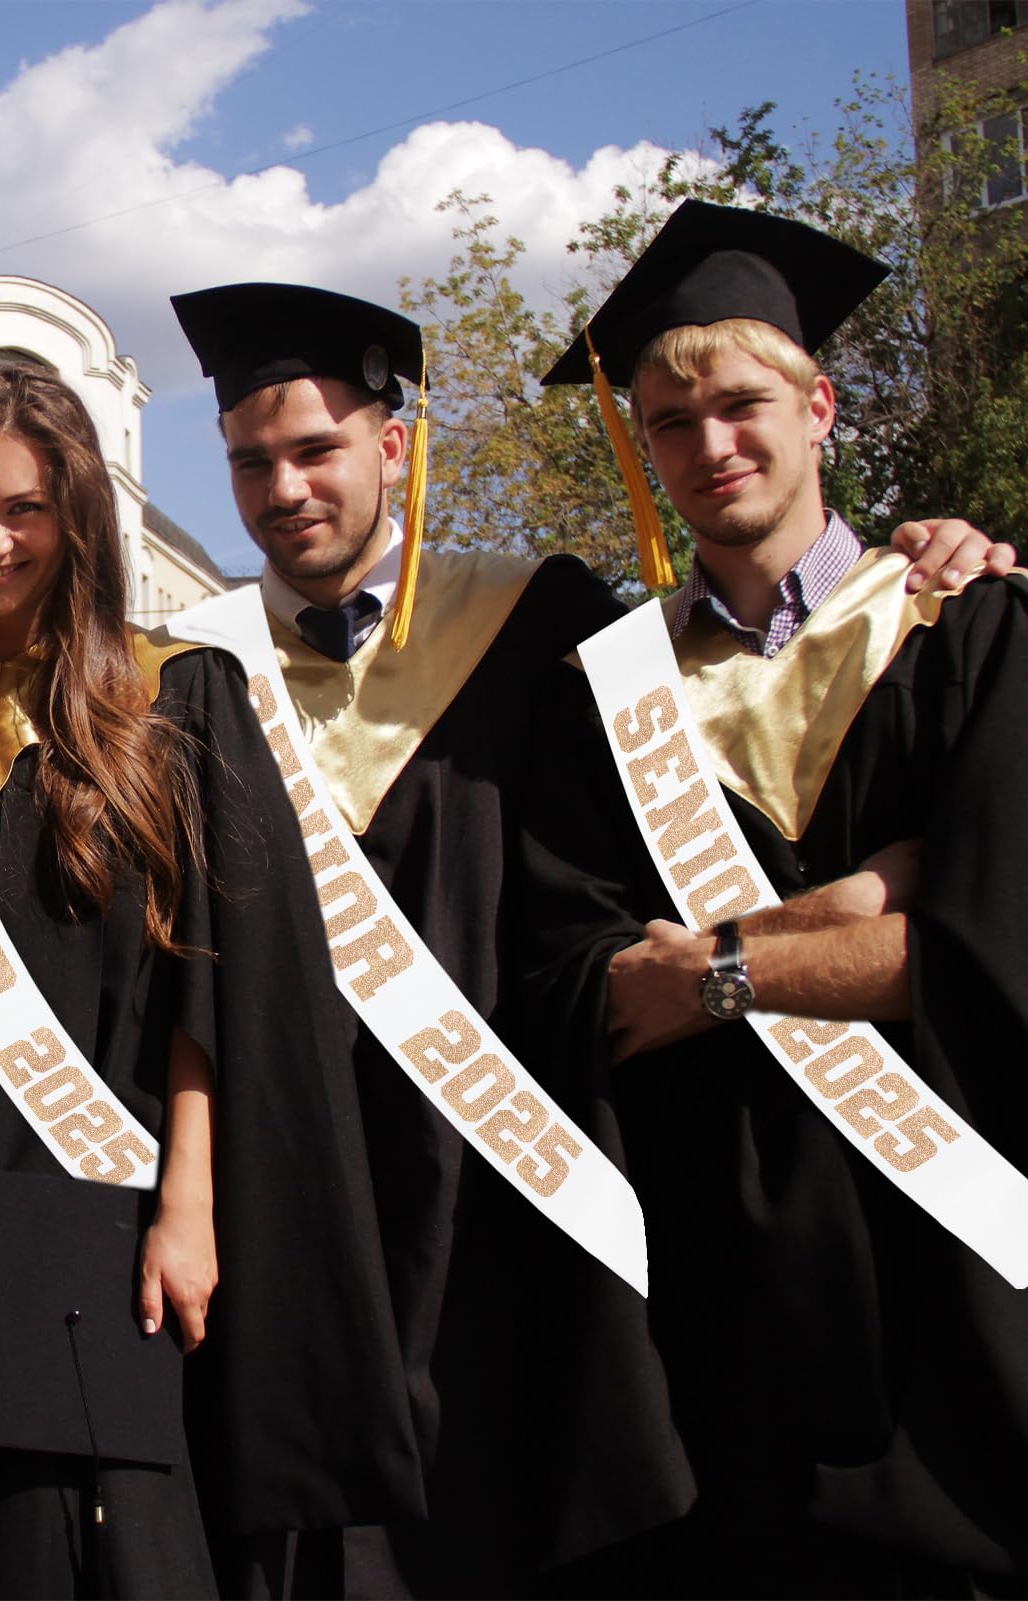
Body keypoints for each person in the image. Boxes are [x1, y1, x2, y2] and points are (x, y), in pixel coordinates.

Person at [0, 291, 1010, 1601]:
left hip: (492, 1176)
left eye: (316, 449)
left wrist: (944, 550)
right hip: (282, 1175)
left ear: (394, 446)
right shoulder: (176, 677)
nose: (284, 488)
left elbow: (649, 826)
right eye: (251, 460)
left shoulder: (539, 623)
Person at [0, 360, 419, 1599]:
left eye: (24, 507)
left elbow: (214, 983)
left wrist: (189, 1197)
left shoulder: (172, 695)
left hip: (105, 1210)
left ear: (76, 511)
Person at [523, 199, 1028, 1593]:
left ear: (818, 406)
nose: (709, 447)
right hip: (709, 1312)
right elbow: (579, 989)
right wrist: (857, 901)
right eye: (669, 423)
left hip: (952, 1277)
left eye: (740, 405)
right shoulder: (599, 698)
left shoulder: (968, 629)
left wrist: (712, 971)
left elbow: (993, 951)